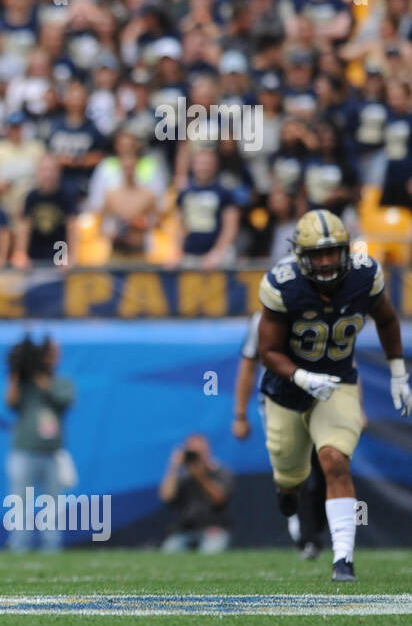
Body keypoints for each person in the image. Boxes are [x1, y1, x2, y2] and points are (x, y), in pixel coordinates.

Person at [257, 209, 411, 582]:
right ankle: (288, 495)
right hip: (287, 388)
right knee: (289, 475)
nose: (326, 262)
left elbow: (388, 320)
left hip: (340, 381)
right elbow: (268, 351)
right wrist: (302, 376)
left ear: (345, 250)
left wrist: (397, 372)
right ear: (301, 256)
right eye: (317, 255)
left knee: (334, 459)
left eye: (333, 252)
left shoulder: (364, 275)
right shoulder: (283, 284)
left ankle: (343, 560)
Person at [232, 310, 326, 558]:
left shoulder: (329, 307)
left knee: (329, 463)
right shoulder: (263, 318)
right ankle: (308, 538)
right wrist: (240, 415)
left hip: (323, 400)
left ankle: (313, 524)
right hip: (280, 401)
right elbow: (248, 366)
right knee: (297, 466)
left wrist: (356, 404)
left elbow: (347, 360)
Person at [4, 334, 75, 551]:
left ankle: (51, 547)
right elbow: (11, 401)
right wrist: (16, 372)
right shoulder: (25, 384)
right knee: (20, 504)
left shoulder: (61, 383)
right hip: (24, 451)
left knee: (52, 506)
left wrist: (40, 375)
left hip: (52, 454)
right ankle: (19, 546)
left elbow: (63, 400)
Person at [158, 433, 233, 553]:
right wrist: (174, 467)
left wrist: (201, 477)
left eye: (199, 452)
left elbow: (220, 498)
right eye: (192, 453)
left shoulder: (221, 472)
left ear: (207, 452)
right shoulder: (183, 477)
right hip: (184, 531)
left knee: (211, 552)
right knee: (170, 551)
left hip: (214, 530)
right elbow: (167, 497)